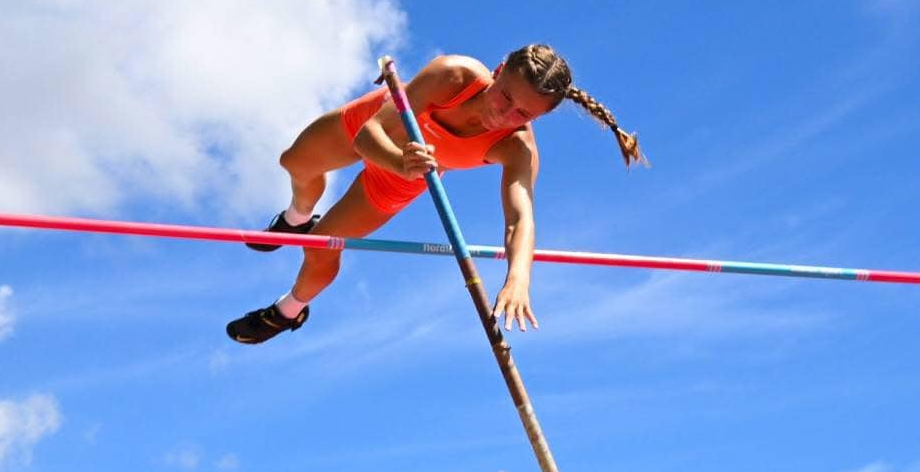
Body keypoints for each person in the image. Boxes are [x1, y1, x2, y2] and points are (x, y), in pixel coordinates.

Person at [226, 45, 643, 344]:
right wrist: (398, 158)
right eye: (506, 97)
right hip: (380, 133)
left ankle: (288, 310)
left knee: (320, 249)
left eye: (523, 113)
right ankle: (296, 217)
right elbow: (369, 136)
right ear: (498, 70)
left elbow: (520, 218)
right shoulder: (453, 75)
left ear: (539, 119)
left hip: (406, 177)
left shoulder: (516, 148)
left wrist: (518, 278)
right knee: (295, 162)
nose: (505, 113)